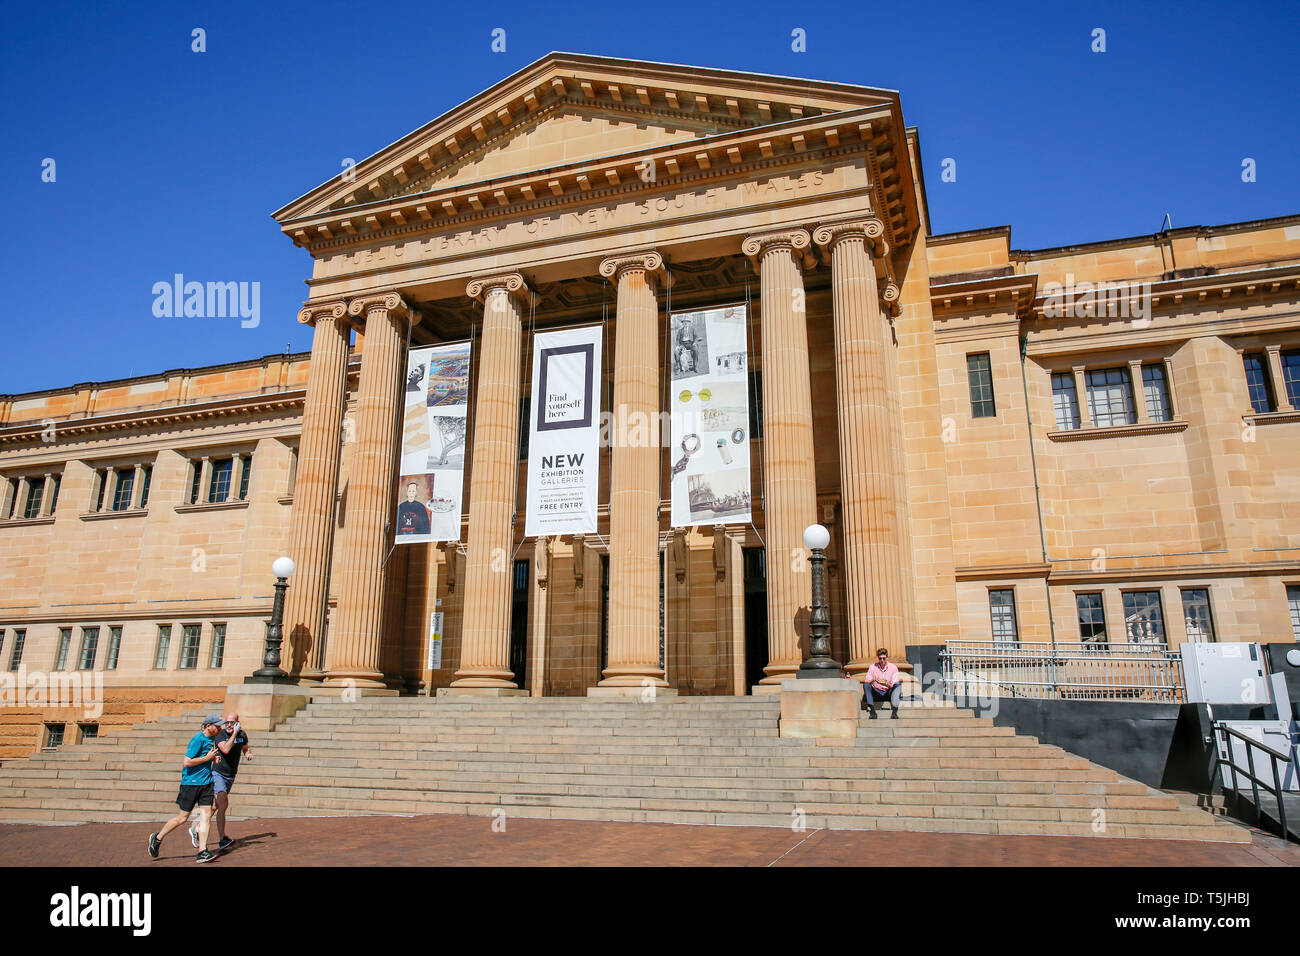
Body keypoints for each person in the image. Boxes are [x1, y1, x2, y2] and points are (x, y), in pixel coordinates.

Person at [147, 714, 223, 863]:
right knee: (182, 818)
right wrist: (207, 758)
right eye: (217, 725)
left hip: (206, 783)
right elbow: (187, 762)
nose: (220, 728)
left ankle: (202, 851)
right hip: (191, 784)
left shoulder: (212, 740)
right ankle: (157, 838)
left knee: (206, 815)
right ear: (208, 726)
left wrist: (214, 758)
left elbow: (206, 757)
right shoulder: (197, 739)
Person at [201, 712, 251, 854]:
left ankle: (197, 827)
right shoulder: (221, 735)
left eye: (232, 723)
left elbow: (245, 747)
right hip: (218, 773)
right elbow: (225, 749)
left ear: (238, 722)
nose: (229, 725)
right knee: (223, 803)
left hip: (230, 775)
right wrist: (234, 734)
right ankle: (222, 838)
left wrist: (247, 753)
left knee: (217, 806)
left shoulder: (242, 735)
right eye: (227, 722)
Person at [862, 647, 902, 719]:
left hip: (888, 692)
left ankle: (895, 712)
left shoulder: (893, 667)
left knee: (898, 684)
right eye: (880, 658)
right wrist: (873, 679)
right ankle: (872, 712)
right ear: (878, 658)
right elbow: (866, 681)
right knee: (866, 685)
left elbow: (893, 684)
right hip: (877, 692)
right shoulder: (873, 667)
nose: (882, 660)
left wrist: (886, 684)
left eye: (884, 658)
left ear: (887, 658)